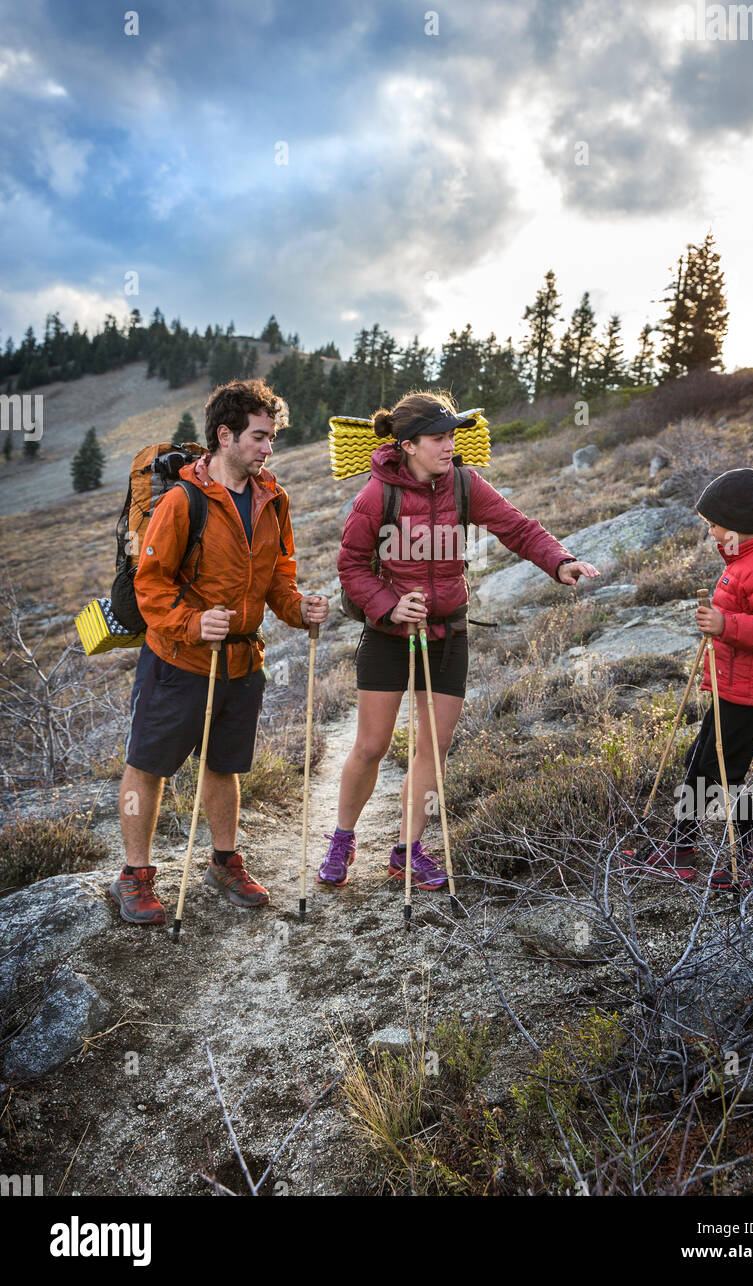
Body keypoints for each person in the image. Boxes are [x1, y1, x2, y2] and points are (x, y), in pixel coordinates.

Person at [316, 390, 600, 890]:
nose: (449, 446)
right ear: (407, 445)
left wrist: (559, 560)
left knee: (434, 746)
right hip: (389, 637)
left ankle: (408, 849)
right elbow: (352, 568)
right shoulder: (374, 496)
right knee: (371, 745)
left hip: (449, 632)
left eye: (452, 436)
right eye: (438, 438)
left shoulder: (465, 484)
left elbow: (517, 527)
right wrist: (389, 605)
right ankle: (342, 838)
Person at [109, 378, 329, 924]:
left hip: (241, 661)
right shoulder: (183, 501)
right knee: (147, 766)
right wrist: (190, 622)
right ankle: (134, 876)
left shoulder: (273, 500)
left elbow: (279, 575)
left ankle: (224, 860)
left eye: (272, 437)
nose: (268, 448)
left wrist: (299, 608)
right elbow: (150, 584)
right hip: (178, 661)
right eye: (258, 436)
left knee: (224, 764)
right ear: (224, 435)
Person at [623, 467, 753, 889]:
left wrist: (724, 624)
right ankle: (680, 849)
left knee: (721, 772)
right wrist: (723, 622)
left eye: (714, 525)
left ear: (736, 525)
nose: (711, 533)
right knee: (700, 764)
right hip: (738, 685)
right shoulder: (742, 561)